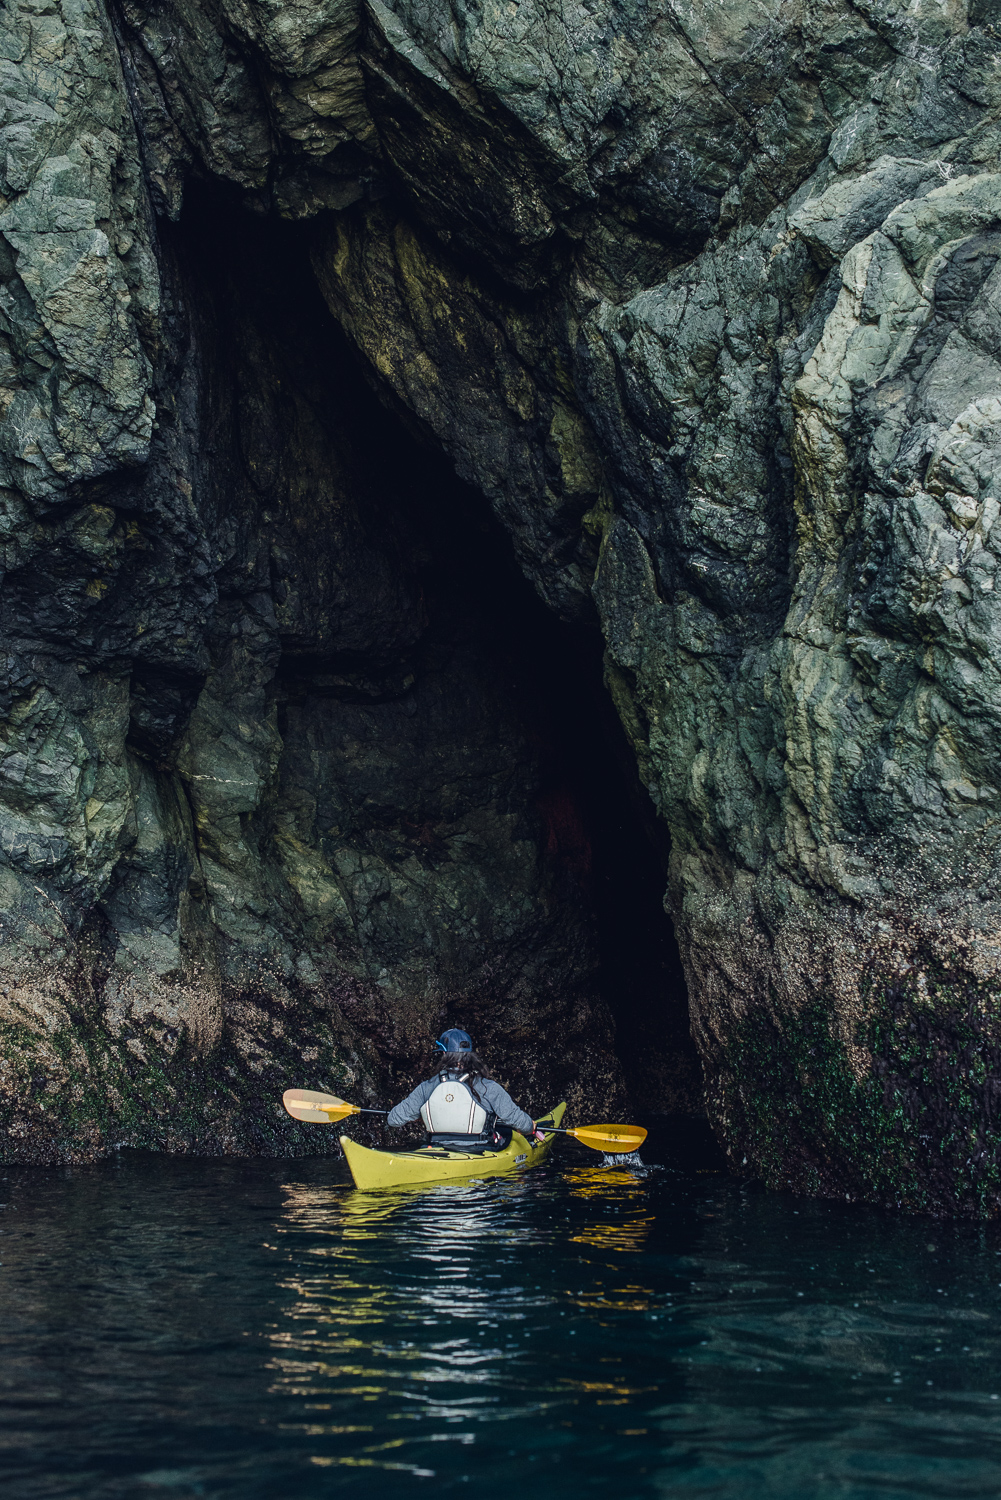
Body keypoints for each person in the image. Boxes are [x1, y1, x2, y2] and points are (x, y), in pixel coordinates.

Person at [387, 1028, 546, 1152]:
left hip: (437, 1149)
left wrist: (420, 1113)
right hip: (479, 1151)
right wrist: (530, 1126)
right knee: (507, 1132)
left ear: (443, 1054)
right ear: (470, 1055)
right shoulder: (487, 1087)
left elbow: (393, 1119)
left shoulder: (427, 1087)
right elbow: (519, 1122)